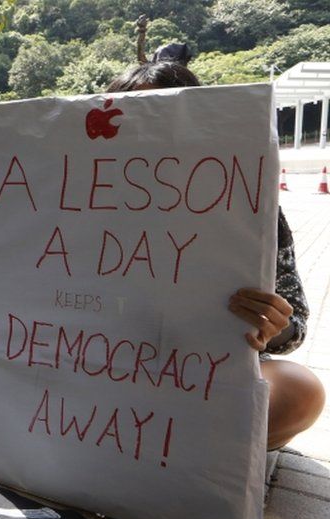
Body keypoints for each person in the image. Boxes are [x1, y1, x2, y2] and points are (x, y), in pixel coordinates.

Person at [107, 61, 325, 450]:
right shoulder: (71, 196)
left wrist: (273, 325)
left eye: (164, 119)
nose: (149, 135)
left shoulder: (250, 200)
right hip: (92, 361)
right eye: (133, 118)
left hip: (205, 371)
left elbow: (295, 325)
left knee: (300, 391)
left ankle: (163, 445)